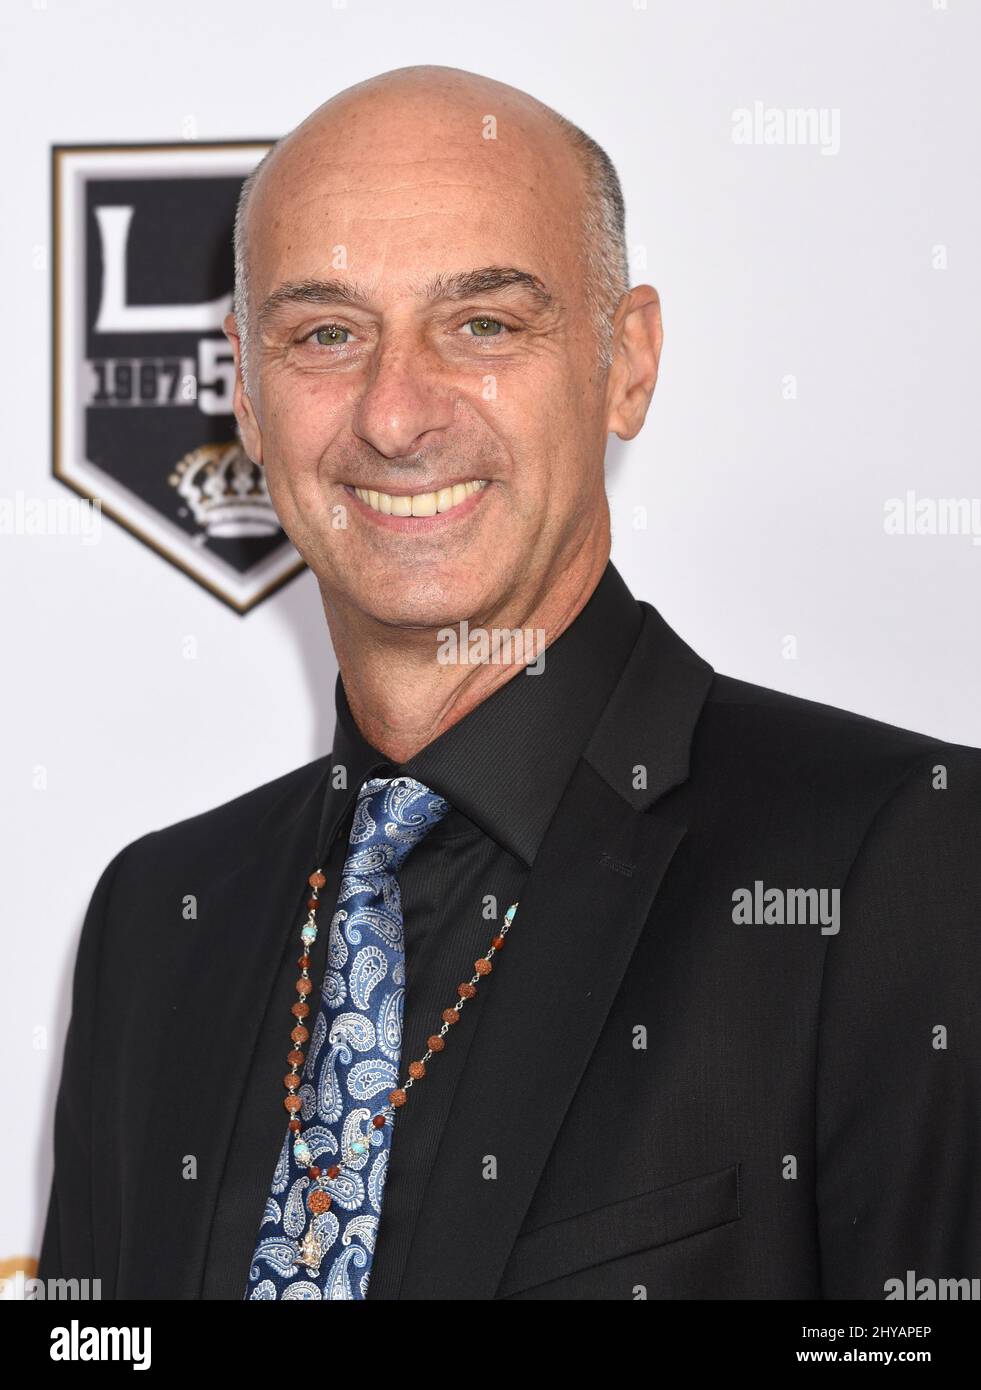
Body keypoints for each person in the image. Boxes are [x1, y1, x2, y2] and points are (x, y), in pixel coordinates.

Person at [38, 65, 981, 1301]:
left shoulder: (898, 857)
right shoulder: (159, 919)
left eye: (483, 323)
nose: (395, 414)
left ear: (628, 362)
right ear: (248, 396)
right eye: (326, 333)